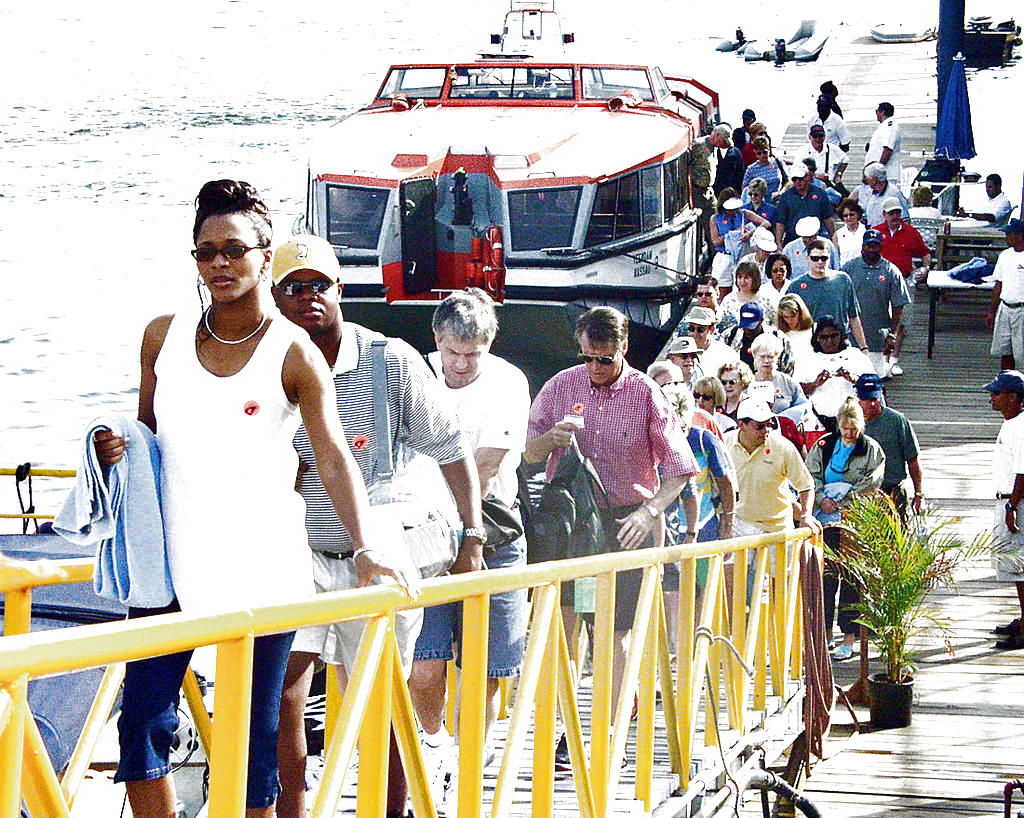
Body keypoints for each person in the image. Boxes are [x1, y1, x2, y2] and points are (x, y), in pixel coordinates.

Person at [90, 181, 399, 818]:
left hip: (264, 569)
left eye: (234, 249)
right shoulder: (161, 337)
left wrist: (367, 550)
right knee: (142, 725)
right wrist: (110, 445)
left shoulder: (294, 352)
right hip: (170, 564)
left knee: (253, 738)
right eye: (206, 253)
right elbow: (147, 437)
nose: (220, 264)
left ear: (265, 254)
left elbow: (335, 455)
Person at [271, 236, 479, 818]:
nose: (307, 297)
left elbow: (450, 447)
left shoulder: (389, 359)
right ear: (276, 296)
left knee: (383, 689)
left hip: (379, 543)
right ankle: (291, 808)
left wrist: (473, 534)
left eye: (319, 285)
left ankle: (389, 808)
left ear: (341, 289)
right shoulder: (266, 363)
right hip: (296, 547)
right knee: (283, 683)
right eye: (293, 287)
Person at [524, 307, 698, 717]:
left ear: (623, 348)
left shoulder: (646, 393)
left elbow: (681, 468)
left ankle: (610, 724)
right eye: (588, 357)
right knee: (563, 624)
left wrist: (649, 513)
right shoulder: (561, 386)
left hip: (623, 522)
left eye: (605, 358)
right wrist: (551, 438)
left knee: (613, 632)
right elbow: (528, 452)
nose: (596, 367)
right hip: (569, 520)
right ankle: (562, 728)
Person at [411, 289, 531, 786]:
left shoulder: (508, 381)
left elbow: (486, 463)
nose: (460, 365)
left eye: (472, 355)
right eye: (452, 353)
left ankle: (466, 758)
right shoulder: (414, 372)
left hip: (494, 525)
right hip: (422, 524)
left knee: (486, 660)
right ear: (436, 339)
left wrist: (466, 532)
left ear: (489, 345)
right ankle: (431, 743)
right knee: (425, 655)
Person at [805, 396, 885, 661]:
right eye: (845, 428)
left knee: (851, 579)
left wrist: (844, 500)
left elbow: (872, 481)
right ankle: (825, 634)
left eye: (854, 429)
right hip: (825, 519)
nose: (850, 434)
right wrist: (822, 499)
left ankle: (849, 637)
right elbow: (811, 475)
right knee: (826, 577)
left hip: (853, 519)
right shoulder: (824, 445)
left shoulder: (871, 449)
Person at [725, 399, 819, 539]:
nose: (766, 430)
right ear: (741, 425)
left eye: (769, 424)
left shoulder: (782, 447)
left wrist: (806, 516)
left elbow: (806, 485)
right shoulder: (724, 443)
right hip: (738, 525)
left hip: (777, 529)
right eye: (759, 426)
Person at [985, 370, 1024, 650]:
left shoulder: (1021, 427)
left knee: (1020, 568)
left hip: (1015, 502)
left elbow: (1023, 473)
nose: (991, 397)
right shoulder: (1010, 423)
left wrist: (1012, 506)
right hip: (1007, 500)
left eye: (997, 393)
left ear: (1013, 397)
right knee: (1013, 567)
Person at [843, 228, 910, 379]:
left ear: (880, 246)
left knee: (876, 378)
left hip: (878, 338)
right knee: (851, 377)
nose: (871, 249)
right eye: (868, 245)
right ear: (863, 246)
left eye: (875, 245)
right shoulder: (848, 268)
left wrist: (892, 335)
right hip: (851, 338)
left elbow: (899, 307)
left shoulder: (891, 271)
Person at [856, 373, 924, 517]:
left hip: (892, 490)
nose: (872, 404)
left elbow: (913, 459)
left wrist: (919, 494)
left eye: (875, 398)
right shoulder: (848, 423)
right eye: (866, 399)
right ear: (857, 398)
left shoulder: (897, 421)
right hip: (859, 493)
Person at [788, 238, 870, 351]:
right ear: (807, 259)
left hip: (840, 342)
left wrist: (863, 347)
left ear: (829, 258)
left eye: (824, 258)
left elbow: (853, 316)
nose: (820, 262)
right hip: (810, 345)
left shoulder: (843, 280)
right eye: (815, 258)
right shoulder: (796, 286)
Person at [796, 315, 875, 430]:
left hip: (852, 421)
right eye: (824, 337)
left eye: (834, 336)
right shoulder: (807, 359)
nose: (830, 341)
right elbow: (797, 392)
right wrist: (814, 384)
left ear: (841, 335)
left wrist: (854, 380)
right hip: (817, 422)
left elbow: (875, 386)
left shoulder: (856, 356)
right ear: (817, 338)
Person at [709, 190, 769, 293]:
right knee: (722, 288)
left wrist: (750, 233)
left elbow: (766, 223)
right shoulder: (715, 218)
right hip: (725, 256)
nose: (732, 211)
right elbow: (715, 241)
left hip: (742, 256)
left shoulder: (744, 214)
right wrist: (732, 235)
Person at [986, 218, 1024, 370]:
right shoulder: (1005, 255)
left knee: (1020, 352)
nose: (1006, 238)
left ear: (1020, 236)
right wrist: (992, 311)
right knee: (1004, 350)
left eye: (1009, 234)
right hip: (1005, 307)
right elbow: (998, 284)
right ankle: (1006, 384)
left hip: (1021, 309)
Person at [748, 333, 809, 423]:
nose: (766, 361)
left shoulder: (789, 383)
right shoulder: (747, 382)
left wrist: (782, 419)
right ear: (755, 357)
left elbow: (803, 405)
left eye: (771, 357)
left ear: (778, 358)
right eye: (762, 357)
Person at [774, 166, 836, 247]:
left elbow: (828, 218)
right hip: (793, 239)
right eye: (794, 179)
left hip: (815, 238)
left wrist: (833, 239)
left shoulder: (820, 193)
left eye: (800, 179)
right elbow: (780, 222)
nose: (797, 182)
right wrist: (779, 243)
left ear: (807, 177)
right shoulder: (786, 196)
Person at [875, 196, 932, 282]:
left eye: (897, 213)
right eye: (891, 213)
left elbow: (925, 254)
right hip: (880, 280)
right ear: (884, 214)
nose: (895, 216)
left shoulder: (911, 232)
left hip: (904, 279)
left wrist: (925, 269)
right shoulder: (876, 232)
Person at [681, 305, 740, 378]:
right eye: (692, 329)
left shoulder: (727, 355)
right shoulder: (680, 353)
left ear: (712, 330)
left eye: (700, 330)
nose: (695, 334)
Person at [792, 124, 849, 196]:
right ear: (810, 137)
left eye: (821, 136)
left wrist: (838, 174)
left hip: (828, 185)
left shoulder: (832, 148)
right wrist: (816, 176)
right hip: (808, 184)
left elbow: (845, 160)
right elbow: (796, 171)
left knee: (842, 198)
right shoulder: (802, 151)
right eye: (815, 136)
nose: (818, 139)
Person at [720, 261, 777, 328]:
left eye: (746, 278)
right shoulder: (729, 300)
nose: (742, 281)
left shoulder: (765, 300)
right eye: (740, 277)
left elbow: (776, 323)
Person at [852, 163, 909, 229]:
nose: (867, 182)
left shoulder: (894, 193)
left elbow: (905, 219)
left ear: (874, 179)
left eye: (868, 179)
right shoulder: (873, 192)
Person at [864, 101, 902, 183]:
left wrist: (878, 170)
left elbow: (887, 149)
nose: (876, 114)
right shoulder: (883, 126)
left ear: (882, 112)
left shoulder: (890, 126)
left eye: (876, 111)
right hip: (877, 175)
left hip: (886, 175)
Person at [742, 136, 787, 202]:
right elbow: (745, 188)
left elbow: (788, 181)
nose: (762, 155)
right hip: (760, 204)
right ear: (755, 153)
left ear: (769, 150)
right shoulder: (751, 169)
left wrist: (781, 192)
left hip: (777, 202)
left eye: (765, 152)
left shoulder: (778, 163)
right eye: (759, 153)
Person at [776, 292, 815, 369]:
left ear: (800, 313)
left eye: (793, 316)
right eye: (786, 317)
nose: (790, 321)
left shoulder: (813, 330)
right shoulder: (778, 334)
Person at [834, 198, 867, 267]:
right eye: (845, 215)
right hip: (845, 270)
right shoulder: (838, 234)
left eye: (852, 214)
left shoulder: (866, 230)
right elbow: (836, 258)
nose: (849, 217)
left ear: (857, 214)